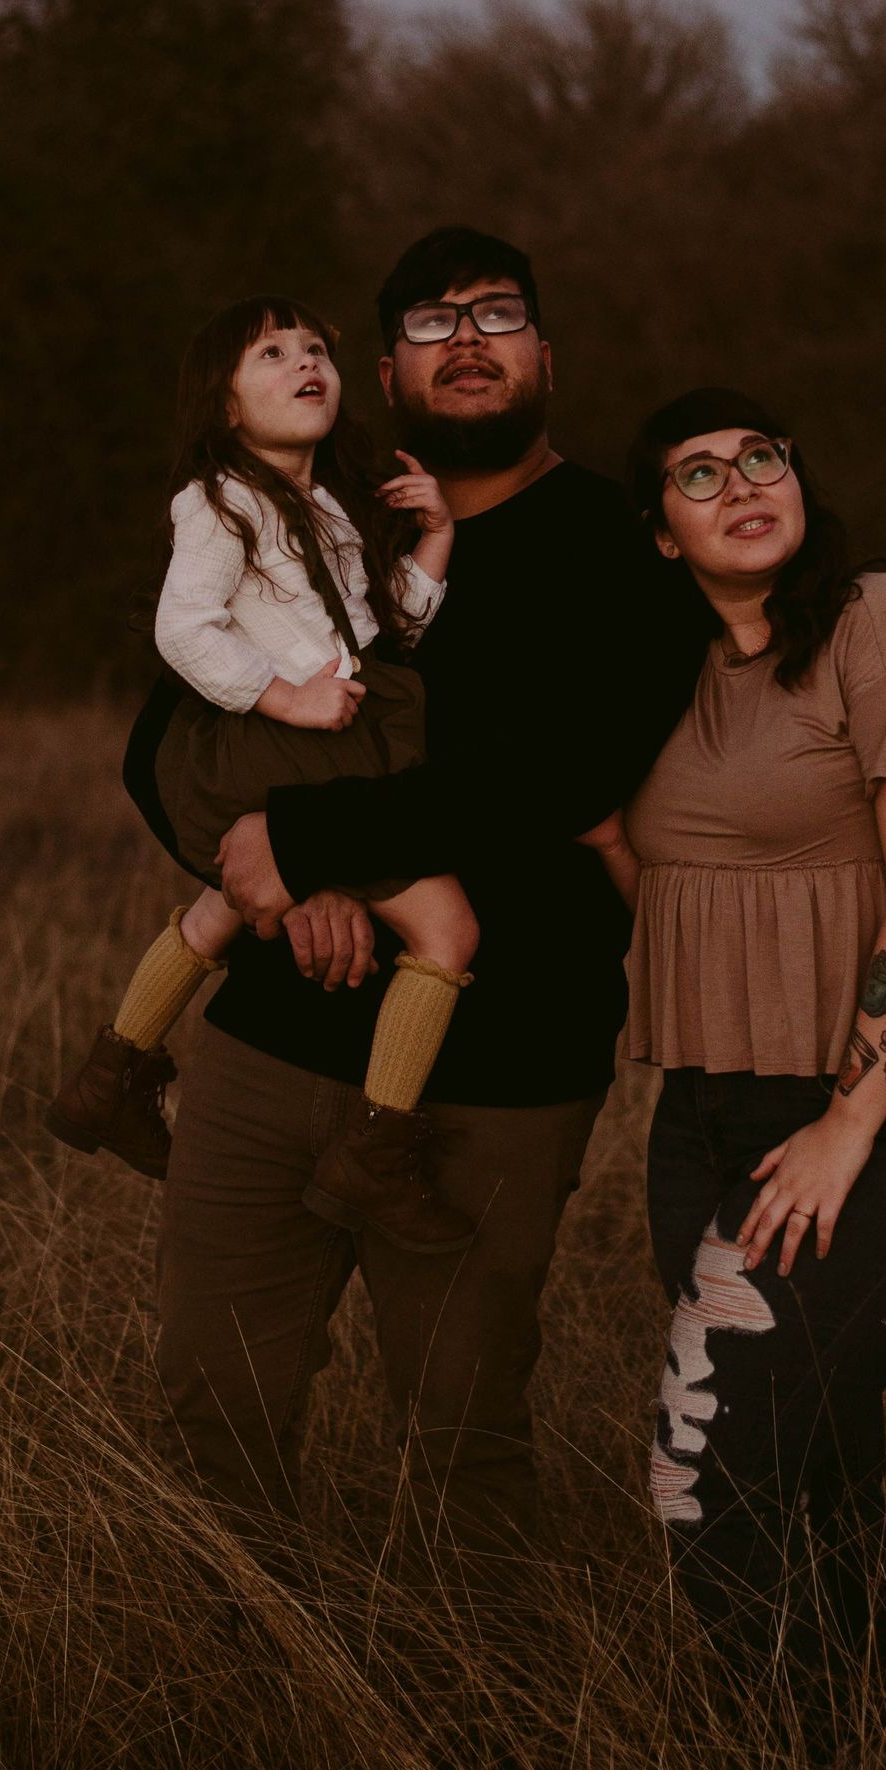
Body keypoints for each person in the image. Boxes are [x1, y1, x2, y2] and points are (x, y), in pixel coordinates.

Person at [131, 226, 698, 1554]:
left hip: (498, 1069)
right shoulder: (305, 525)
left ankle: (478, 1731)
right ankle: (249, 1703)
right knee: (216, 1399)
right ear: (387, 374)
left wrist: (315, 838)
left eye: (495, 314)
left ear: (546, 355)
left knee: (461, 1433)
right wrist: (281, 882)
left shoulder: (615, 549)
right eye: (434, 323)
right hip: (274, 1043)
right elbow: (159, 746)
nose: (468, 339)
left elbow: (548, 778)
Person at [620, 385, 886, 1742]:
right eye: (701, 473)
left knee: (708, 1463)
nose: (744, 481)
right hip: (707, 1115)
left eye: (763, 457)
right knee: (810, 1467)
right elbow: (649, 869)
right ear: (660, 535)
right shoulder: (660, 674)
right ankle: (875, 1760)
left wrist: (848, 1122)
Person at [45, 293, 483, 1253]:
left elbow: (384, 633)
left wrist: (437, 542)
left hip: (332, 727)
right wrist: (280, 697)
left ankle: (111, 1075)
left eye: (315, 348)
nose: (305, 363)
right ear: (226, 408)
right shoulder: (216, 498)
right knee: (446, 929)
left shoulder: (326, 501)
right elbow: (182, 627)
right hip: (282, 735)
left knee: (224, 906)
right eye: (271, 355)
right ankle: (376, 1150)